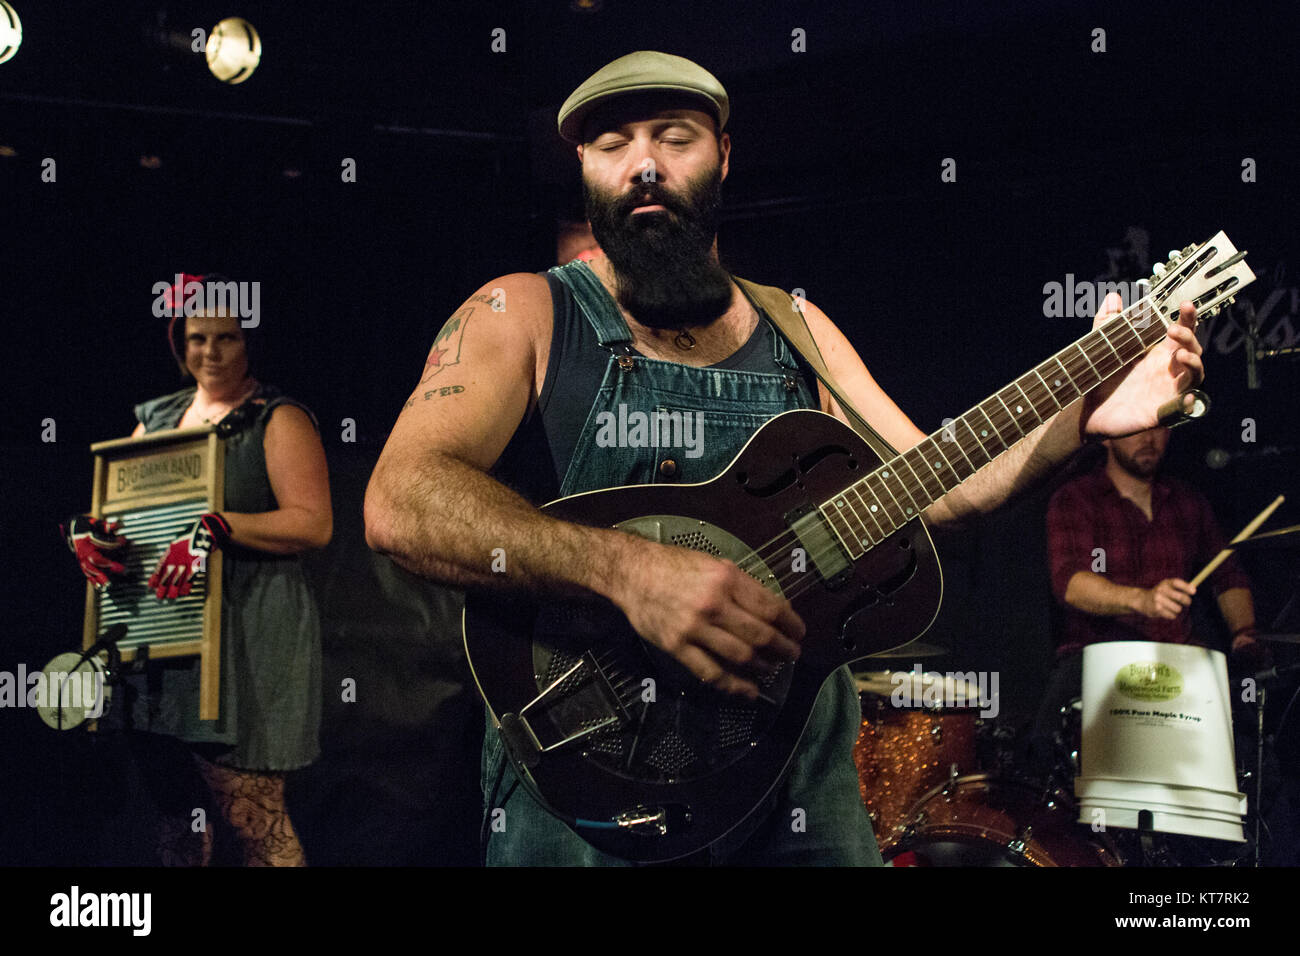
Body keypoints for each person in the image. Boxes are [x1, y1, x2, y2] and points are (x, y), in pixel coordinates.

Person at [363, 51, 1205, 865]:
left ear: (724, 155)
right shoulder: (524, 312)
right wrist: (628, 571)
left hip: (794, 782)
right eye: (614, 144)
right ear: (583, 164)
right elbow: (400, 499)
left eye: (674, 136)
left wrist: (1084, 414)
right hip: (589, 779)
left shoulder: (796, 327)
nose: (644, 164)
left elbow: (942, 487)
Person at [65, 273, 331, 865]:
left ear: (251, 343)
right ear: (177, 344)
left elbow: (313, 525)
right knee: (177, 828)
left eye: (226, 338)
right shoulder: (158, 419)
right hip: (164, 643)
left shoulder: (275, 418)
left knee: (255, 825)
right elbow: (121, 518)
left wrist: (215, 526)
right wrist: (87, 535)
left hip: (246, 638)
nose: (209, 352)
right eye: (196, 338)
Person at [1030, 425, 1267, 770]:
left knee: (1254, 756)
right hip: (1099, 660)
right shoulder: (1076, 498)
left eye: (1159, 429)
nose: (1148, 439)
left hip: (1180, 662)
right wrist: (1142, 600)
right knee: (1044, 755)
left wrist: (1243, 632)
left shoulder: (1187, 500)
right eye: (1135, 430)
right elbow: (1070, 583)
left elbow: (1227, 574)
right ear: (1108, 436)